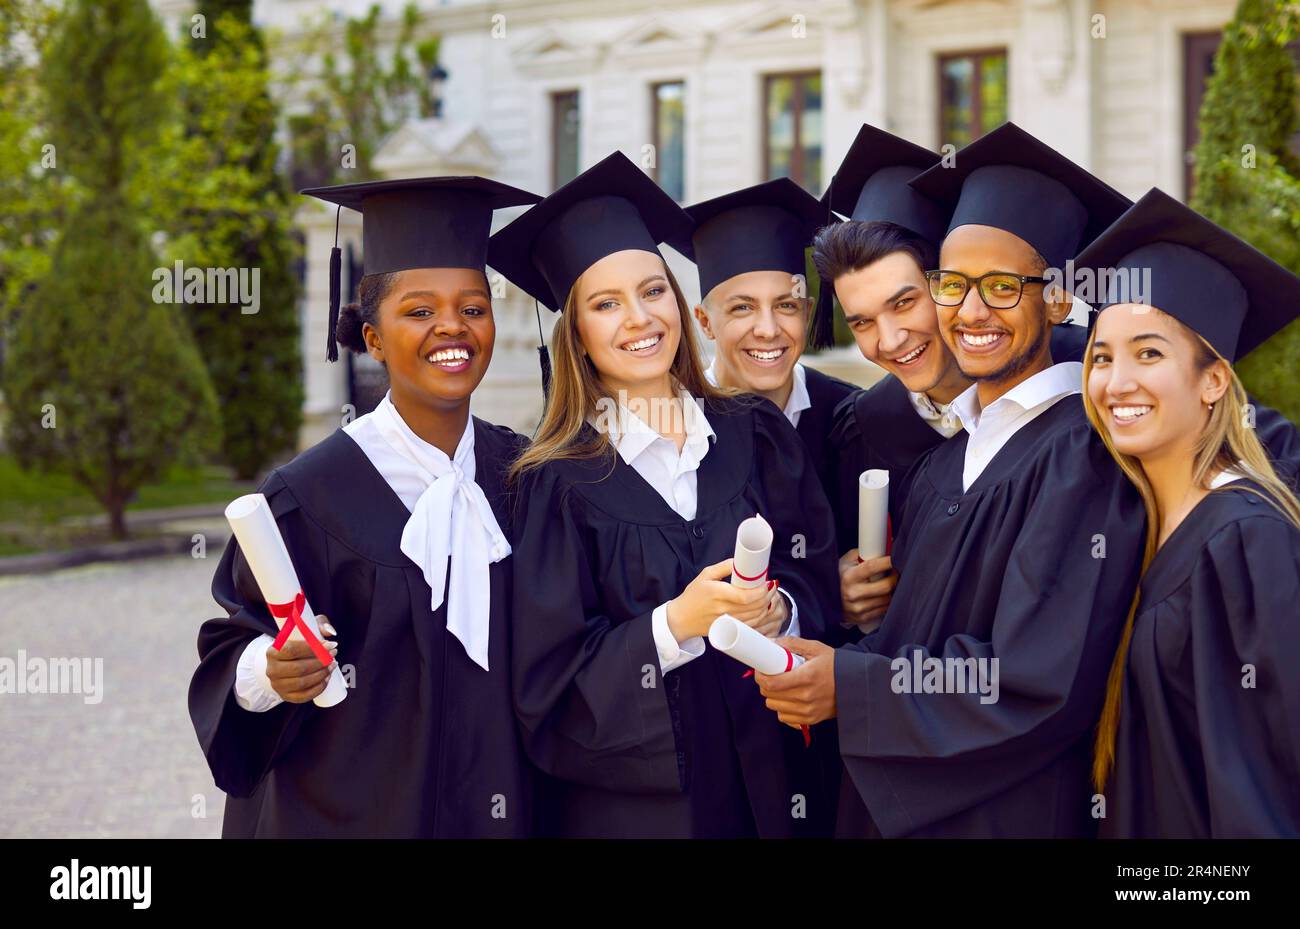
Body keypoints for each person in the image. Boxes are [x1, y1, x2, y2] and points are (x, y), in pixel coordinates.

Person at [756, 122, 1146, 837]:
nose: (969, 310)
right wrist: (831, 650)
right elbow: (919, 639)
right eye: (954, 286)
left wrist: (851, 684)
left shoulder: (1084, 452)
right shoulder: (948, 458)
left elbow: (1034, 677)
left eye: (1000, 286)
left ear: (1059, 300)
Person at [489, 152, 840, 837]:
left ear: (679, 305)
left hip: (783, 793)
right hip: (646, 815)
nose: (638, 318)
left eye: (653, 291)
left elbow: (818, 575)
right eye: (606, 304)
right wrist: (677, 622)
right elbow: (548, 689)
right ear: (579, 337)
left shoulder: (756, 433)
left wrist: (783, 609)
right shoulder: (553, 485)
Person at [188, 177, 540, 837]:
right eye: (419, 311)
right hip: (341, 817)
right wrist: (270, 666)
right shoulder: (307, 495)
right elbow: (232, 650)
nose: (451, 328)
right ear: (373, 339)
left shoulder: (523, 477)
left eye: (473, 307)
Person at [1073, 188, 1300, 837]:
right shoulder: (1142, 525)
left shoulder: (1248, 542)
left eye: (1150, 353)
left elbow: (1271, 786)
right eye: (1102, 356)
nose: (1117, 383)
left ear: (1214, 380)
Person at [685, 177, 857, 505]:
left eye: (786, 305)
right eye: (742, 307)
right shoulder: (675, 424)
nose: (767, 329)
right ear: (706, 322)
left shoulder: (849, 419)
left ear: (807, 313)